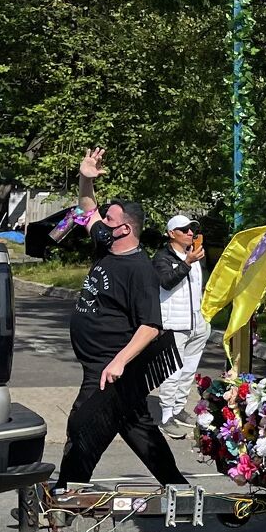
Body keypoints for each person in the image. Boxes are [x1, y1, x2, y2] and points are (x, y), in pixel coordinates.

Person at [56, 151, 187, 489]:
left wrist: (117, 362)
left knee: (83, 424)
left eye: (110, 221)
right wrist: (86, 178)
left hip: (109, 364)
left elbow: (150, 327)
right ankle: (177, 487)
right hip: (99, 362)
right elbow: (88, 208)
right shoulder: (106, 244)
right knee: (136, 425)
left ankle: (67, 492)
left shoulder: (139, 270)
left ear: (125, 228)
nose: (103, 224)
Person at [151, 213, 209, 439]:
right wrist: (186, 263)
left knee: (188, 371)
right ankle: (166, 417)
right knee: (171, 372)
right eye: (184, 230)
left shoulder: (193, 256)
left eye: (192, 229)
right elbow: (166, 282)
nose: (190, 233)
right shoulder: (162, 258)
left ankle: (178, 408)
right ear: (171, 234)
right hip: (174, 324)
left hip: (196, 323)